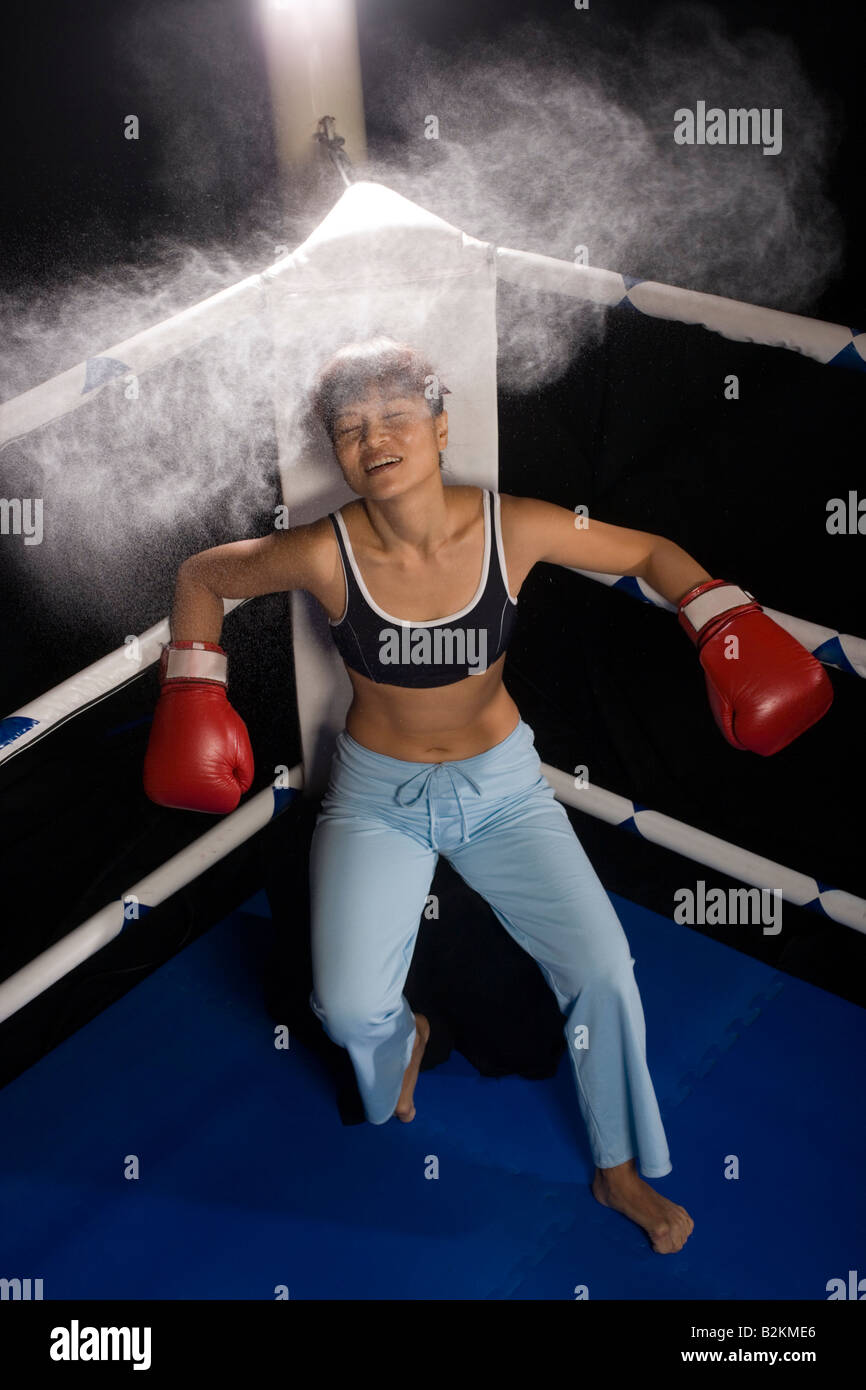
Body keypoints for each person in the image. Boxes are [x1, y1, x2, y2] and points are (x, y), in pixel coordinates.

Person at [143, 336, 832, 1256]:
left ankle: (618, 1169)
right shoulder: (321, 551)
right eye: (350, 429)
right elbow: (203, 576)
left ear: (437, 425)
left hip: (503, 790)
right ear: (337, 453)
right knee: (348, 1009)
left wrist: (722, 618)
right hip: (377, 799)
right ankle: (408, 1032)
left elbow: (651, 551)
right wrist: (195, 689)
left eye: (394, 417)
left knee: (603, 972)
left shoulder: (518, 527)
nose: (374, 438)